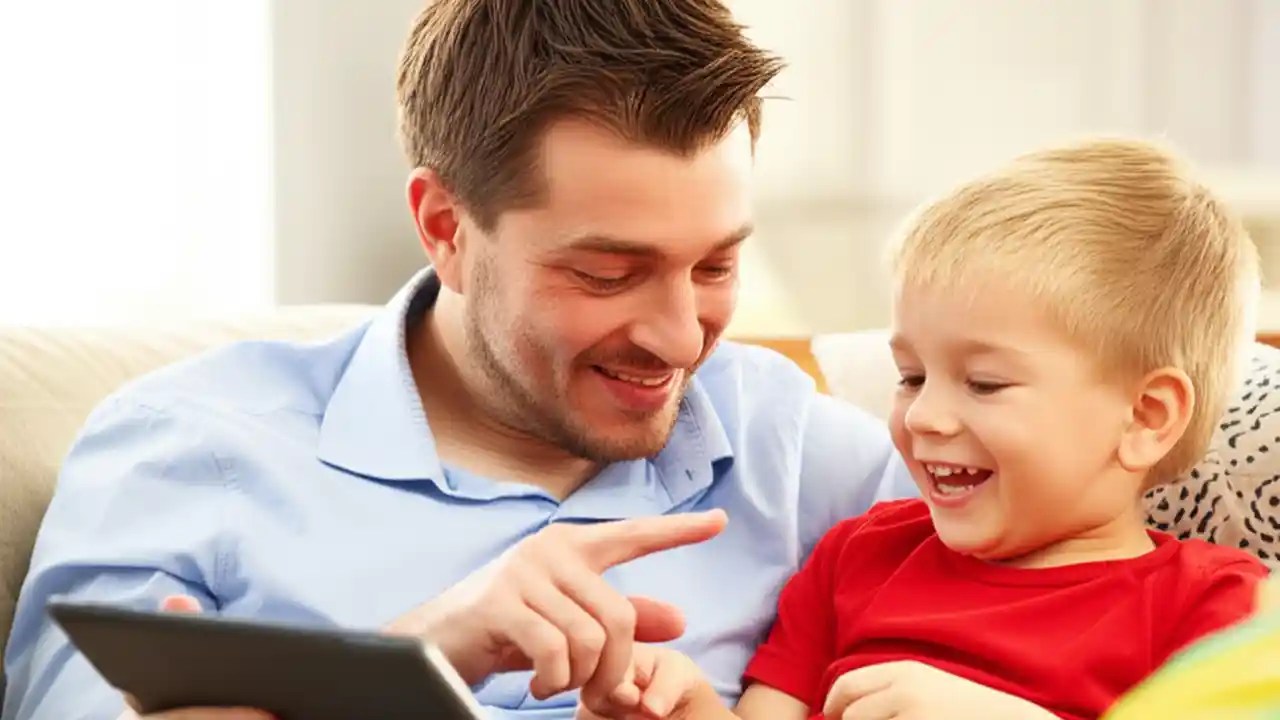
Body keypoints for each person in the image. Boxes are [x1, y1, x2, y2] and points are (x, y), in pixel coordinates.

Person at [0, 2, 931, 720]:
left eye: (716, 264)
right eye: (607, 273)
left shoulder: (817, 461)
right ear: (446, 228)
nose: (682, 336)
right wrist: (420, 659)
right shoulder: (188, 450)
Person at [575, 138, 1272, 720]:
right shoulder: (860, 557)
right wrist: (685, 705)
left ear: (1146, 418)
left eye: (985, 384)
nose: (924, 417)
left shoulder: (1223, 608)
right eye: (911, 377)